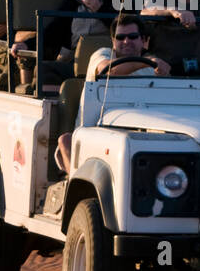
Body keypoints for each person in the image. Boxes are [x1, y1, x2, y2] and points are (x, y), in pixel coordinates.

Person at [54, 15, 169, 173]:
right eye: (120, 37)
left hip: (138, 139)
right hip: (93, 139)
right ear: (113, 41)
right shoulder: (102, 55)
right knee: (66, 139)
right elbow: (108, 70)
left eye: (132, 37)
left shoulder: (152, 69)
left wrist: (159, 68)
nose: (126, 41)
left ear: (144, 41)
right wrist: (147, 62)